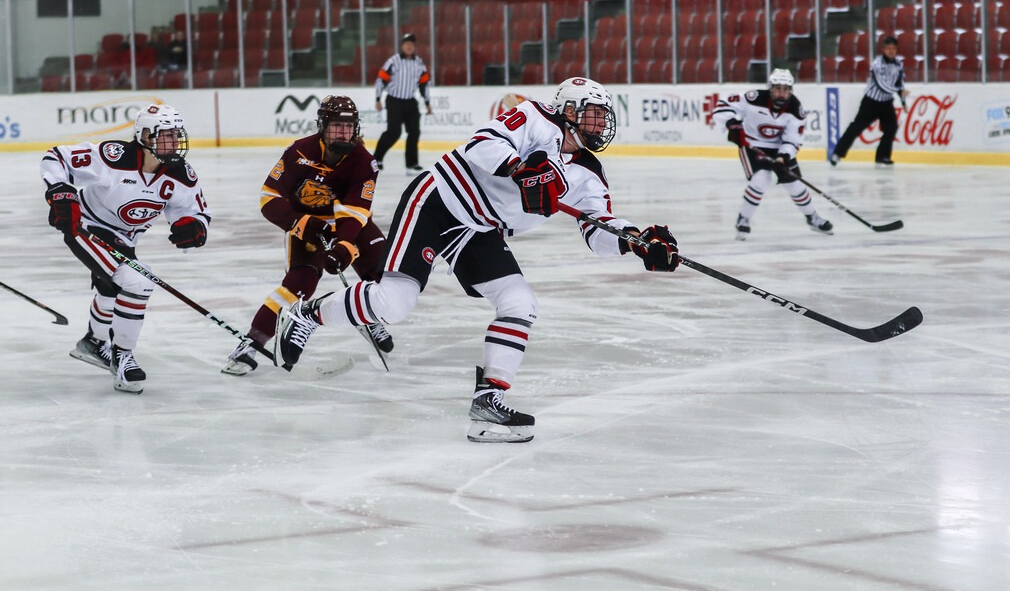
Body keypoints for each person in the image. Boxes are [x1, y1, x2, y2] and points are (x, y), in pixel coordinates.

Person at [274, 77, 681, 443]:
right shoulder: (535, 118)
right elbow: (481, 144)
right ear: (570, 110)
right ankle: (306, 314)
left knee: (520, 302)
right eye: (594, 114)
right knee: (393, 304)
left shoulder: (589, 173)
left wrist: (637, 241)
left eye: (603, 116)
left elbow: (598, 229)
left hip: (480, 228)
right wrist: (520, 169)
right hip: (439, 200)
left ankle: (489, 401)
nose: (601, 124)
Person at [39, 104, 210, 394]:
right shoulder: (113, 157)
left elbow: (196, 211)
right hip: (86, 227)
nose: (174, 141)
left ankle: (93, 343)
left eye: (176, 134)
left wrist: (194, 227)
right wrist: (60, 193)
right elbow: (55, 157)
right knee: (139, 282)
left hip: (125, 239)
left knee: (111, 289)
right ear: (144, 136)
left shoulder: (181, 174)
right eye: (166, 135)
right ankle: (123, 356)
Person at [222, 95, 393, 376]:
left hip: (350, 225)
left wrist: (343, 245)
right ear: (322, 125)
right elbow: (269, 198)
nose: (343, 132)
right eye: (336, 126)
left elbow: (354, 213)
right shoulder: (298, 152)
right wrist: (303, 223)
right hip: (306, 226)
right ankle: (251, 344)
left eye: (348, 126)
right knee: (298, 285)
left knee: (384, 274)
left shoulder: (364, 162)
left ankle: (366, 313)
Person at [713, 68, 833, 241]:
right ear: (770, 89)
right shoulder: (754, 98)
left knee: (795, 184)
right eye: (777, 89)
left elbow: (793, 140)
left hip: (779, 147)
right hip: (752, 145)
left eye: (786, 89)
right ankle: (743, 219)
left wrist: (783, 157)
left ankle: (813, 217)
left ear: (791, 90)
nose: (781, 93)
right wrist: (731, 124)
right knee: (761, 179)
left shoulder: (795, 109)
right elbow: (723, 104)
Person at [831, 36, 907, 168]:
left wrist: (903, 102)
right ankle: (837, 153)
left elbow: (900, 84)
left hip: (886, 102)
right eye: (888, 48)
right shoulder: (877, 64)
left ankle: (882, 156)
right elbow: (881, 85)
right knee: (856, 127)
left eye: (894, 48)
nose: (891, 51)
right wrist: (898, 90)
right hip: (871, 102)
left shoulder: (898, 64)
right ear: (883, 49)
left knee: (891, 127)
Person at [374, 33, 432, 175]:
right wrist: (378, 98)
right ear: (402, 46)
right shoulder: (393, 61)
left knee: (414, 131)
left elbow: (424, 84)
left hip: (410, 101)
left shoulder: (419, 63)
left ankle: (411, 164)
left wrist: (427, 102)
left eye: (411, 44)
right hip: (394, 100)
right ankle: (377, 159)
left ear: (414, 47)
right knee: (394, 132)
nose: (409, 47)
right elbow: (381, 80)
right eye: (406, 44)